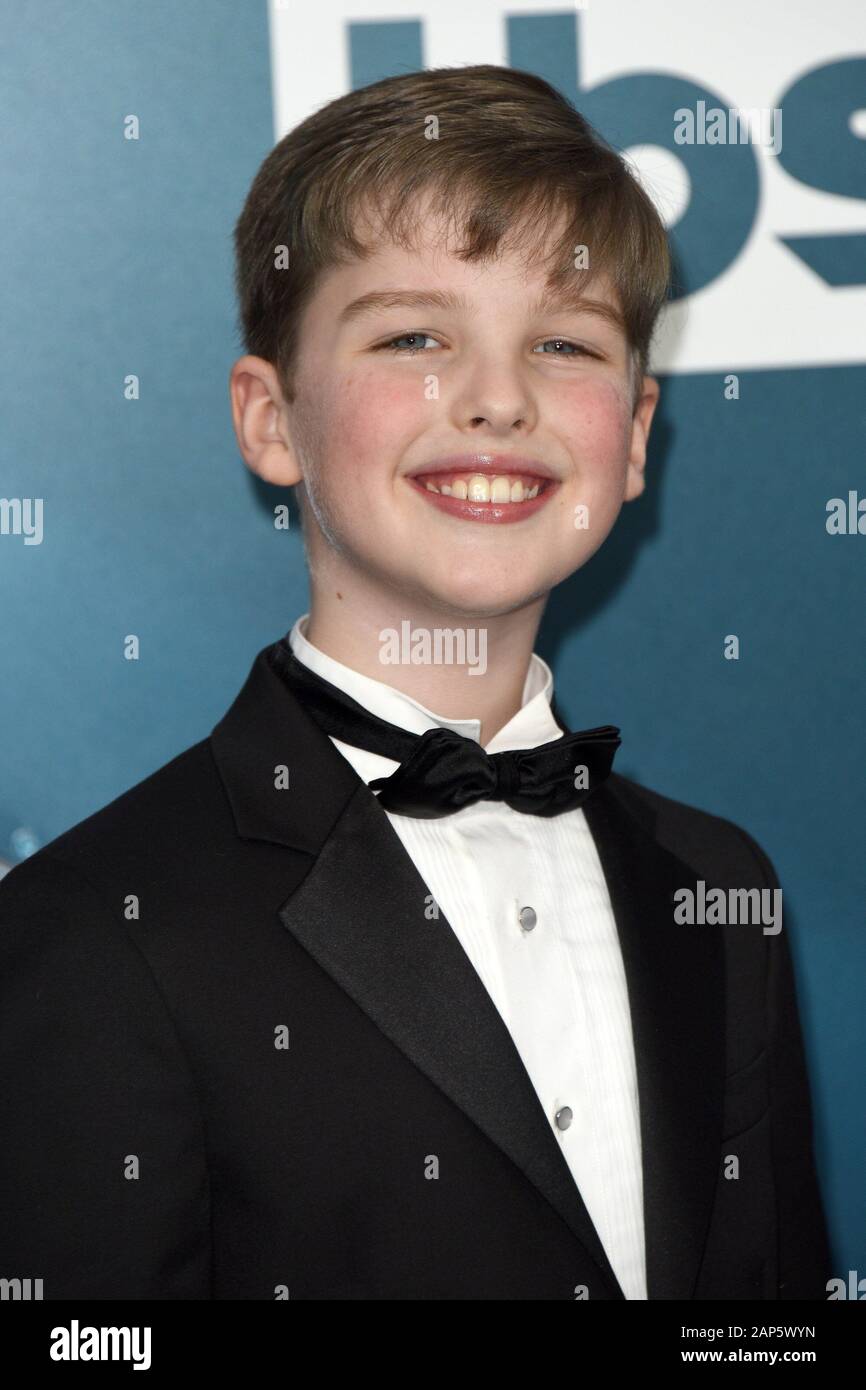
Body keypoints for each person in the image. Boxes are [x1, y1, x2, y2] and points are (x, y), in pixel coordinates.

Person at [0, 64, 830, 1300]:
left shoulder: (717, 884)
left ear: (633, 433)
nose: (496, 399)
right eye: (414, 338)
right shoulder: (95, 929)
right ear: (270, 418)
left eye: (562, 342)